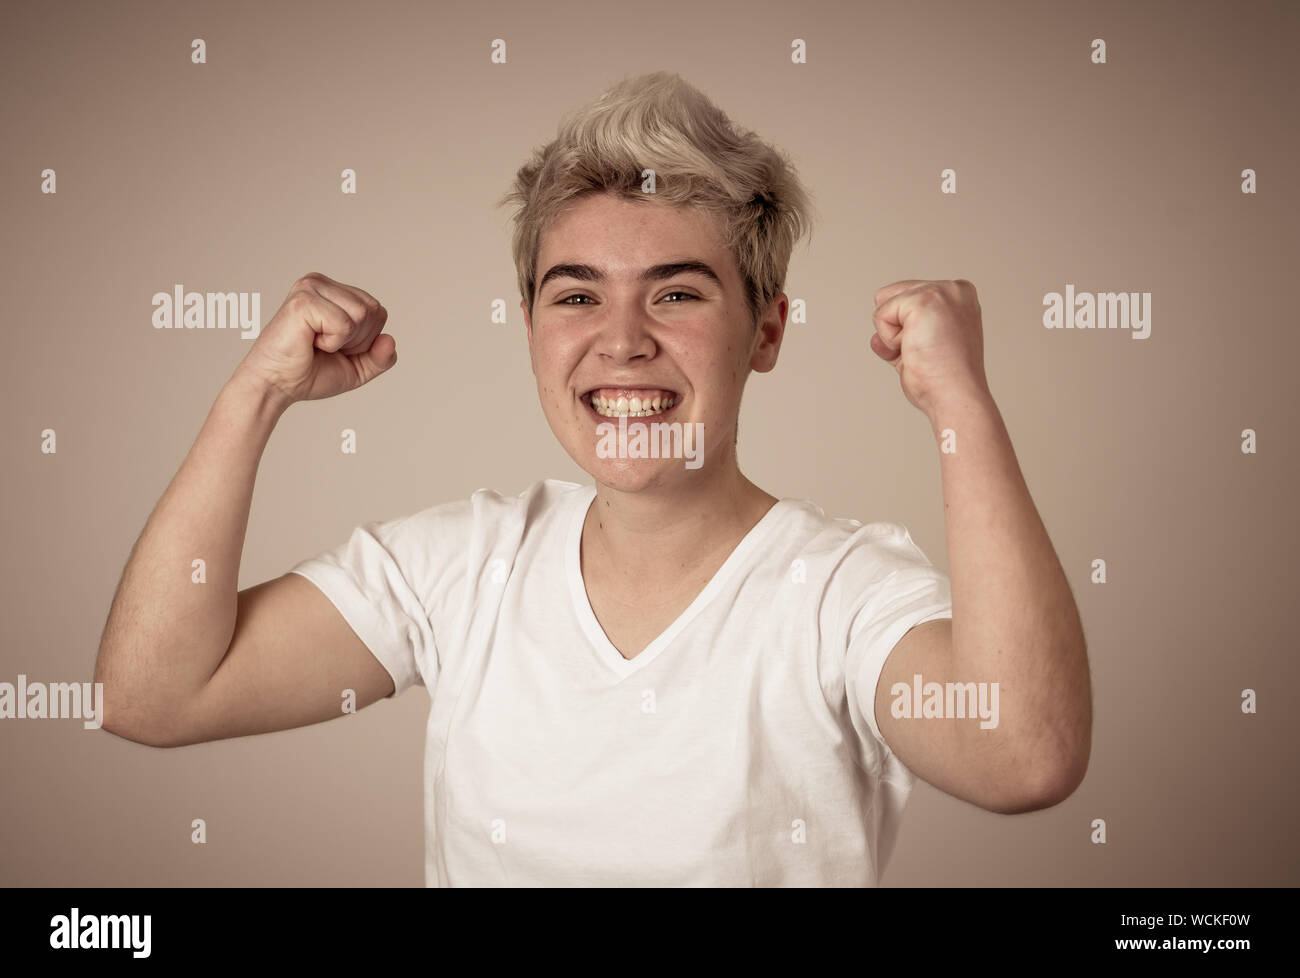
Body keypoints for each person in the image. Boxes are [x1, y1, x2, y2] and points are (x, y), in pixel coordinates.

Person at [93, 70, 1091, 886]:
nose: (621, 343)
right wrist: (252, 399)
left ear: (766, 334)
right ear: (530, 328)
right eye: (577, 295)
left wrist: (961, 406)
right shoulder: (461, 566)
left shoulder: (836, 595)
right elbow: (154, 696)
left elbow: (1022, 757)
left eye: (677, 293)